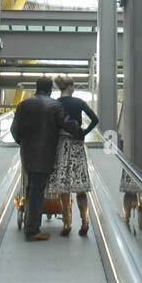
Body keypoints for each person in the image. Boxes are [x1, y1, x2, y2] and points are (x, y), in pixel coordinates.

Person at [10, 77, 81, 241]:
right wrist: (81, 133)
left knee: (30, 188)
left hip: (27, 152)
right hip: (45, 153)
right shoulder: (54, 105)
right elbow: (67, 123)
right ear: (50, 90)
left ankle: (29, 223)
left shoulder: (23, 105)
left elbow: (14, 129)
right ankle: (32, 230)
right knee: (37, 190)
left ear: (36, 87)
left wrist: (23, 143)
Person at [46, 75, 97, 236]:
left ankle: (67, 225)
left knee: (63, 188)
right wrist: (84, 132)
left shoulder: (54, 104)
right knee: (80, 187)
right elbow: (95, 119)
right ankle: (85, 222)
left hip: (61, 146)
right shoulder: (79, 102)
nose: (74, 88)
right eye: (73, 86)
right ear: (69, 87)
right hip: (76, 146)